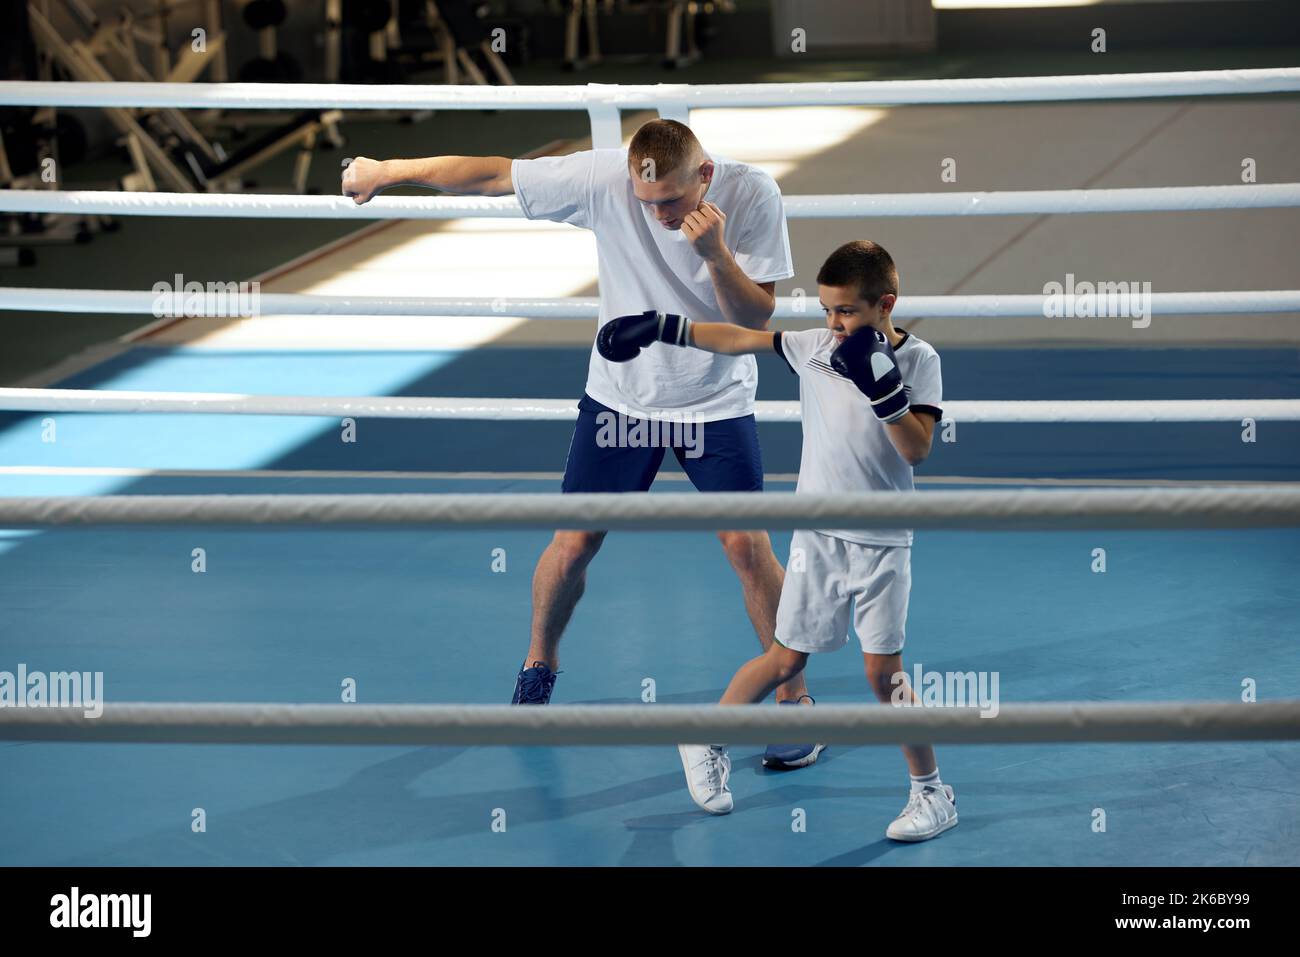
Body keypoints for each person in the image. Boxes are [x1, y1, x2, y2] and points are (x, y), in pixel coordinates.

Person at [343, 120, 827, 768]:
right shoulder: (603, 180)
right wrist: (387, 169)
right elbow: (491, 172)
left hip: (712, 400)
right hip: (620, 399)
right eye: (644, 200)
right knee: (573, 544)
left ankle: (792, 696)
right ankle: (539, 662)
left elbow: (753, 318)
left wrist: (714, 253)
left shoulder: (753, 194)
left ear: (704, 176)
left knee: (746, 543)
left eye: (671, 203)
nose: (655, 214)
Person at [599, 239, 957, 841]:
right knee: (786, 657)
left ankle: (932, 794)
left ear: (885, 303)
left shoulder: (920, 359)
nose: (833, 323)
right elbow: (738, 339)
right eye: (825, 310)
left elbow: (917, 449)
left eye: (846, 311)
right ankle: (704, 733)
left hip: (881, 539)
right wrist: (661, 327)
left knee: (882, 675)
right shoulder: (816, 347)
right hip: (816, 533)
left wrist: (885, 394)